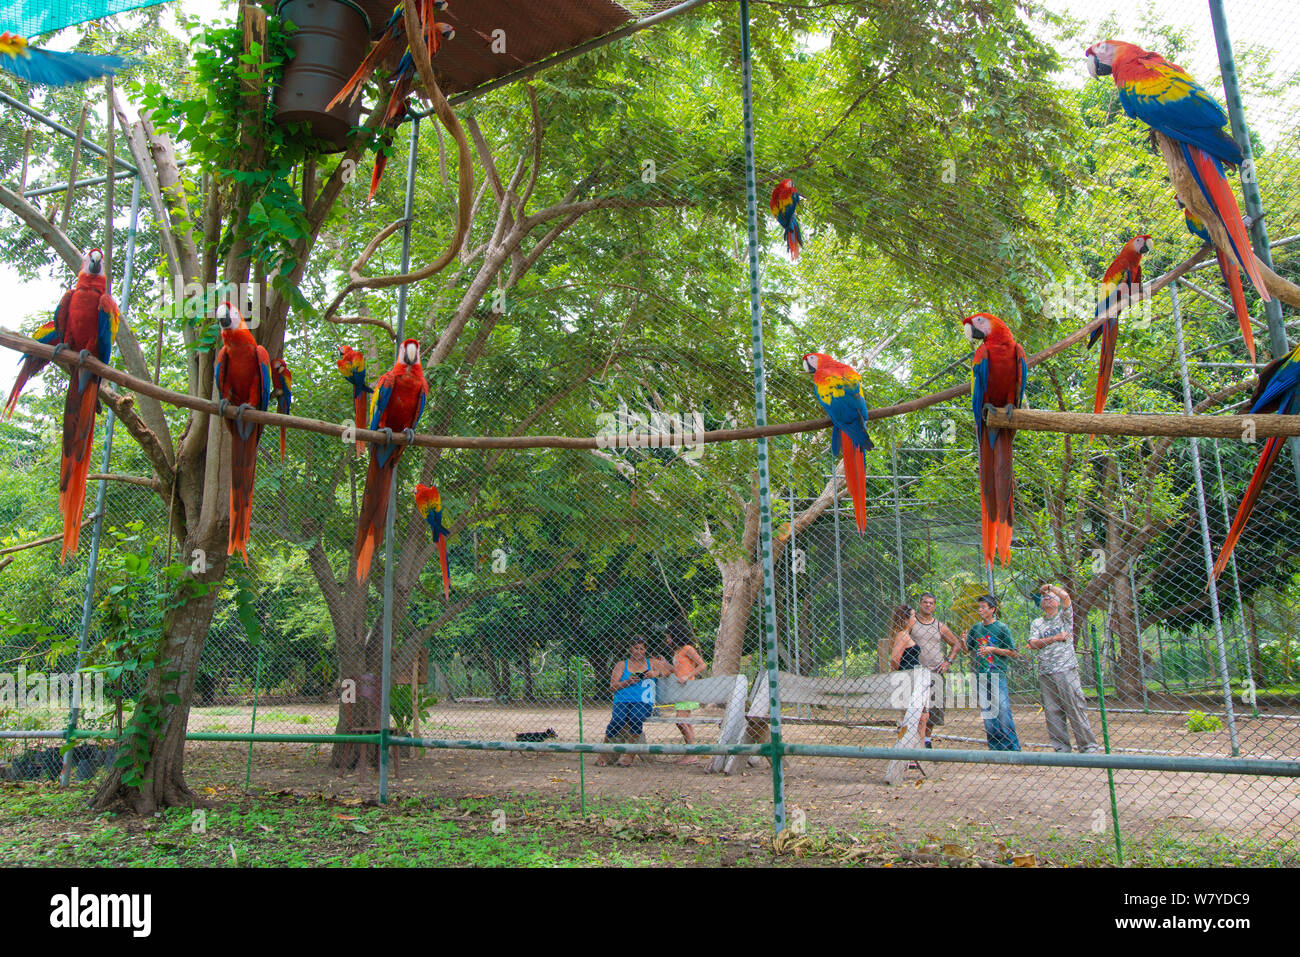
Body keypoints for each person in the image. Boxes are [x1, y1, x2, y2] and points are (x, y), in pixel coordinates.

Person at [1027, 583, 1099, 753]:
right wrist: (1055, 638)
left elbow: (1066, 597)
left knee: (1075, 707)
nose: (1047, 599)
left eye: (1051, 597)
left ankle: (1088, 746)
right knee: (1052, 712)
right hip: (1046, 671)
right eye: (1044, 597)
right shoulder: (1038, 623)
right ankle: (1061, 748)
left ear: (1057, 602)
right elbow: (1033, 643)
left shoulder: (1064, 617)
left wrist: (1050, 587)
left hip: (1066, 669)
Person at [894, 592, 964, 748]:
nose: (928, 605)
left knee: (933, 711)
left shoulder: (939, 625)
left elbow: (956, 644)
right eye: (925, 602)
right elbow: (900, 639)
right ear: (920, 604)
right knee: (917, 712)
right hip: (916, 673)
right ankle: (913, 742)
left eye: (931, 603)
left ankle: (927, 741)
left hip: (936, 672)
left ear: (935, 606)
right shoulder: (912, 622)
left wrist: (948, 661)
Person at [595, 638, 671, 767]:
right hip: (622, 700)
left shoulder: (651, 663)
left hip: (643, 701)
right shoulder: (621, 665)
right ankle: (603, 753)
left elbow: (671, 670)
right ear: (630, 648)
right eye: (636, 648)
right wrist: (627, 682)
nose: (639, 651)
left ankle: (630, 754)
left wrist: (656, 673)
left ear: (645, 650)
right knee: (617, 721)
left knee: (635, 718)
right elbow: (612, 687)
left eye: (642, 649)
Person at [965, 594, 1021, 751]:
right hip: (981, 675)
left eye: (984, 607)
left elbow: (1013, 652)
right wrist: (964, 642)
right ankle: (995, 748)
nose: (980, 610)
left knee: (1003, 710)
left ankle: (1012, 747)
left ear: (992, 609)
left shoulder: (1001, 628)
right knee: (988, 714)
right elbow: (967, 649)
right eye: (979, 607)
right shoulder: (976, 628)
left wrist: (993, 649)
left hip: (997, 674)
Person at [664, 621, 707, 765]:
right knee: (685, 722)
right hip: (679, 690)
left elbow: (702, 665)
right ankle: (690, 752)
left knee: (680, 720)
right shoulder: (676, 651)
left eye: (669, 636)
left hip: (688, 688)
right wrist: (665, 664)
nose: (667, 640)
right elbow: (677, 670)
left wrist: (687, 677)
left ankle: (693, 752)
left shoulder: (688, 648)